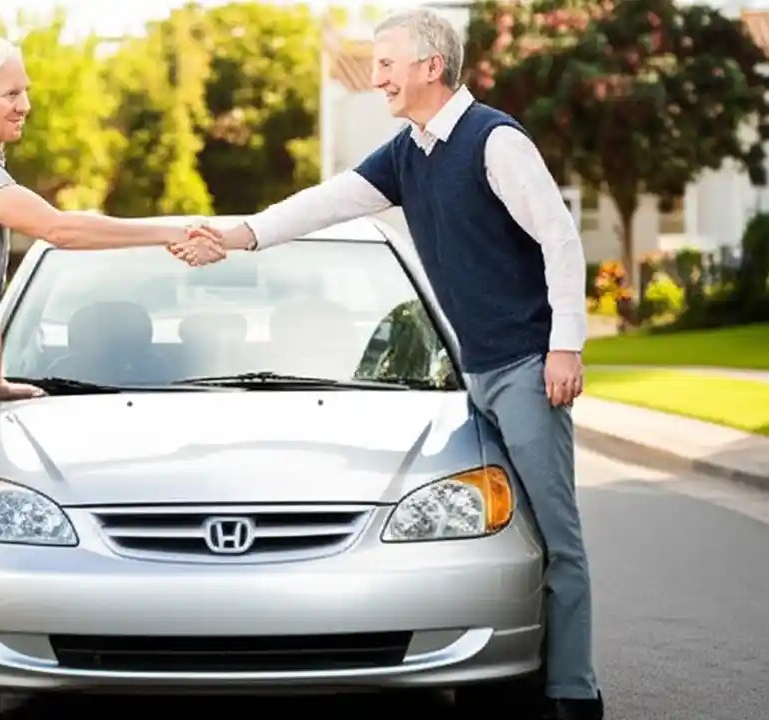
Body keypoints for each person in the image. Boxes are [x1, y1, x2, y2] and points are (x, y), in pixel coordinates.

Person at [172, 7, 602, 720]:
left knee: (557, 539)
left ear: (431, 66)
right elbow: (326, 203)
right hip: (476, 376)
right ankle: (513, 675)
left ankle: (573, 695)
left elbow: (560, 238)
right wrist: (238, 236)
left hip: (526, 367)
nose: (376, 79)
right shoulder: (409, 152)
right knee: (505, 536)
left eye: (386, 65)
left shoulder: (493, 142)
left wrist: (565, 347)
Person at [0, 32, 223, 720]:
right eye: (12, 93)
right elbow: (62, 231)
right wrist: (171, 228)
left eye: (25, 90)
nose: (27, 104)